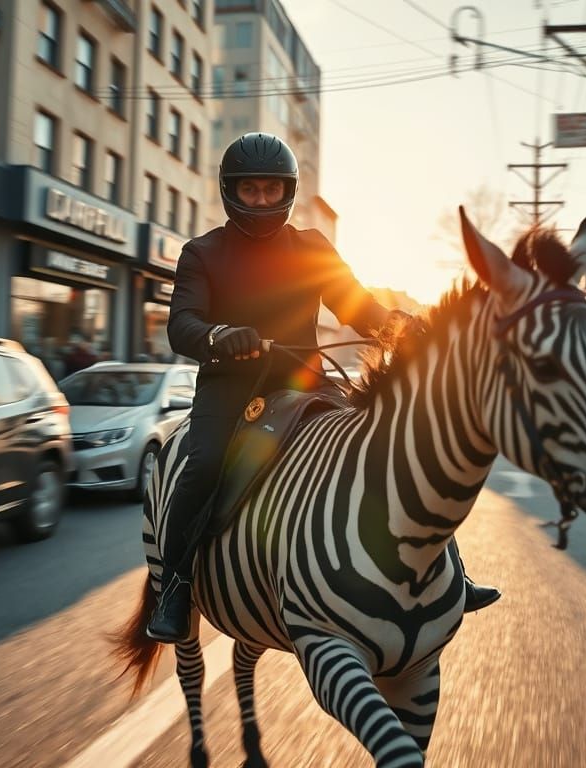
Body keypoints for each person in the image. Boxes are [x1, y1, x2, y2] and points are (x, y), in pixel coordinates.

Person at [147, 132, 500, 642]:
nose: (262, 200)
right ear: (230, 190)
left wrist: (399, 325)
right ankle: (175, 587)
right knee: (201, 465)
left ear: (288, 191)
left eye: (272, 189)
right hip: (230, 387)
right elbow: (182, 326)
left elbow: (356, 304)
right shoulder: (202, 253)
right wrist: (220, 336)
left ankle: (452, 573)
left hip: (306, 380)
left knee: (389, 444)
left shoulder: (312, 246)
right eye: (250, 190)